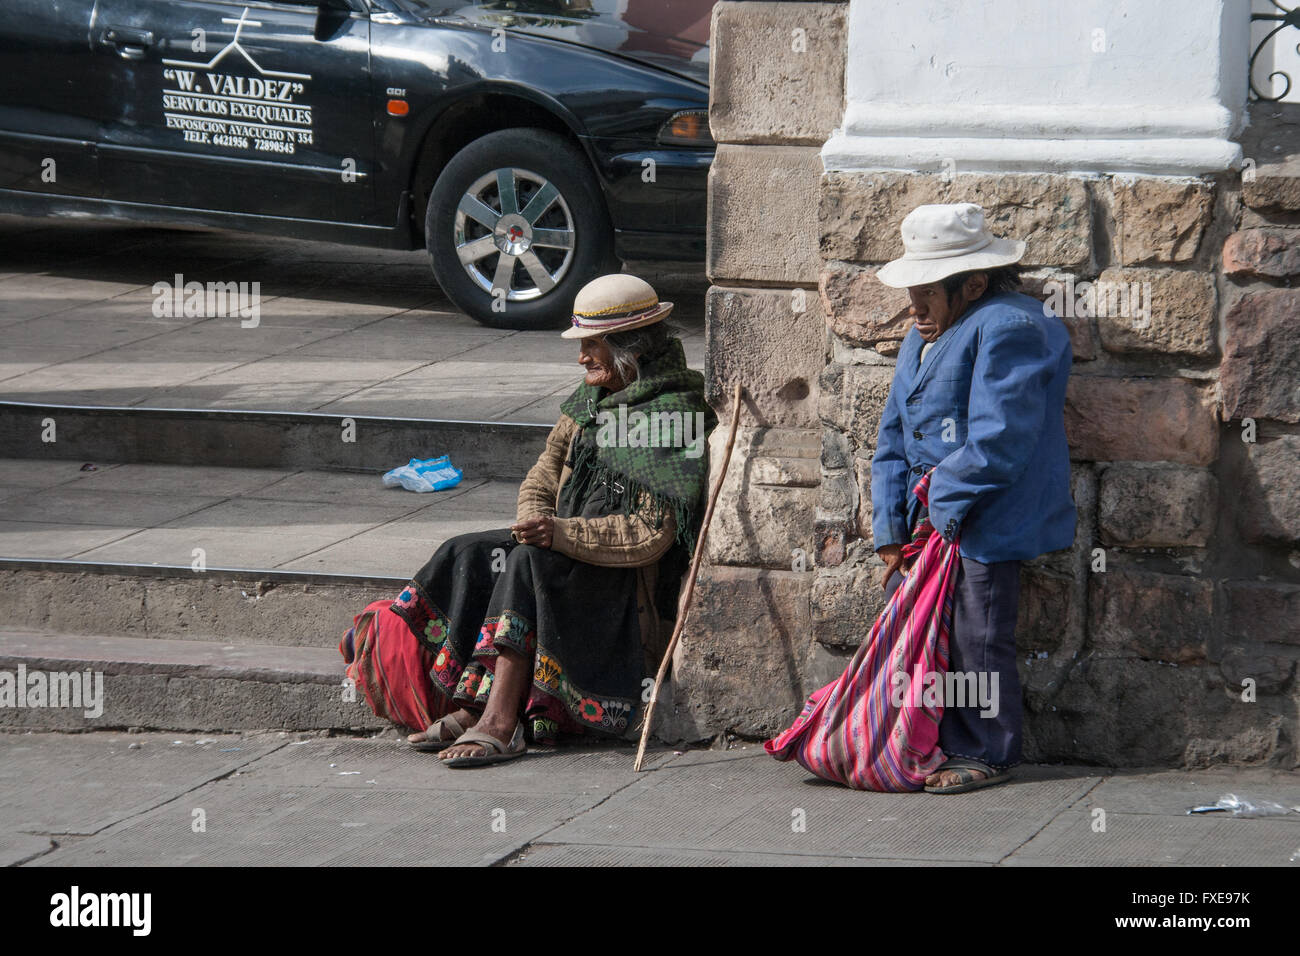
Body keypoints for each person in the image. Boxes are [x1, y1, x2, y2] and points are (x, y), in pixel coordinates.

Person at [340, 274, 714, 767]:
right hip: (563, 553)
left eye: (592, 345)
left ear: (631, 348)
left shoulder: (672, 414)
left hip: (620, 586)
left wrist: (558, 534)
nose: (582, 357)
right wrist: (534, 520)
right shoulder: (587, 404)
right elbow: (542, 473)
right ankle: (471, 702)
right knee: (469, 551)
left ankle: (502, 720)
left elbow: (650, 536)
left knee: (526, 565)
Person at [871, 202, 1076, 793]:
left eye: (927, 293)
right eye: (912, 294)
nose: (914, 310)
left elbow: (1000, 439)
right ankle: (935, 739)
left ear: (974, 284)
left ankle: (989, 751)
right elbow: (894, 431)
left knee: (977, 637)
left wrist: (941, 511)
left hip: (985, 520)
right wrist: (891, 530)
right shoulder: (925, 332)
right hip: (927, 524)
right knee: (930, 641)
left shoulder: (1013, 326)